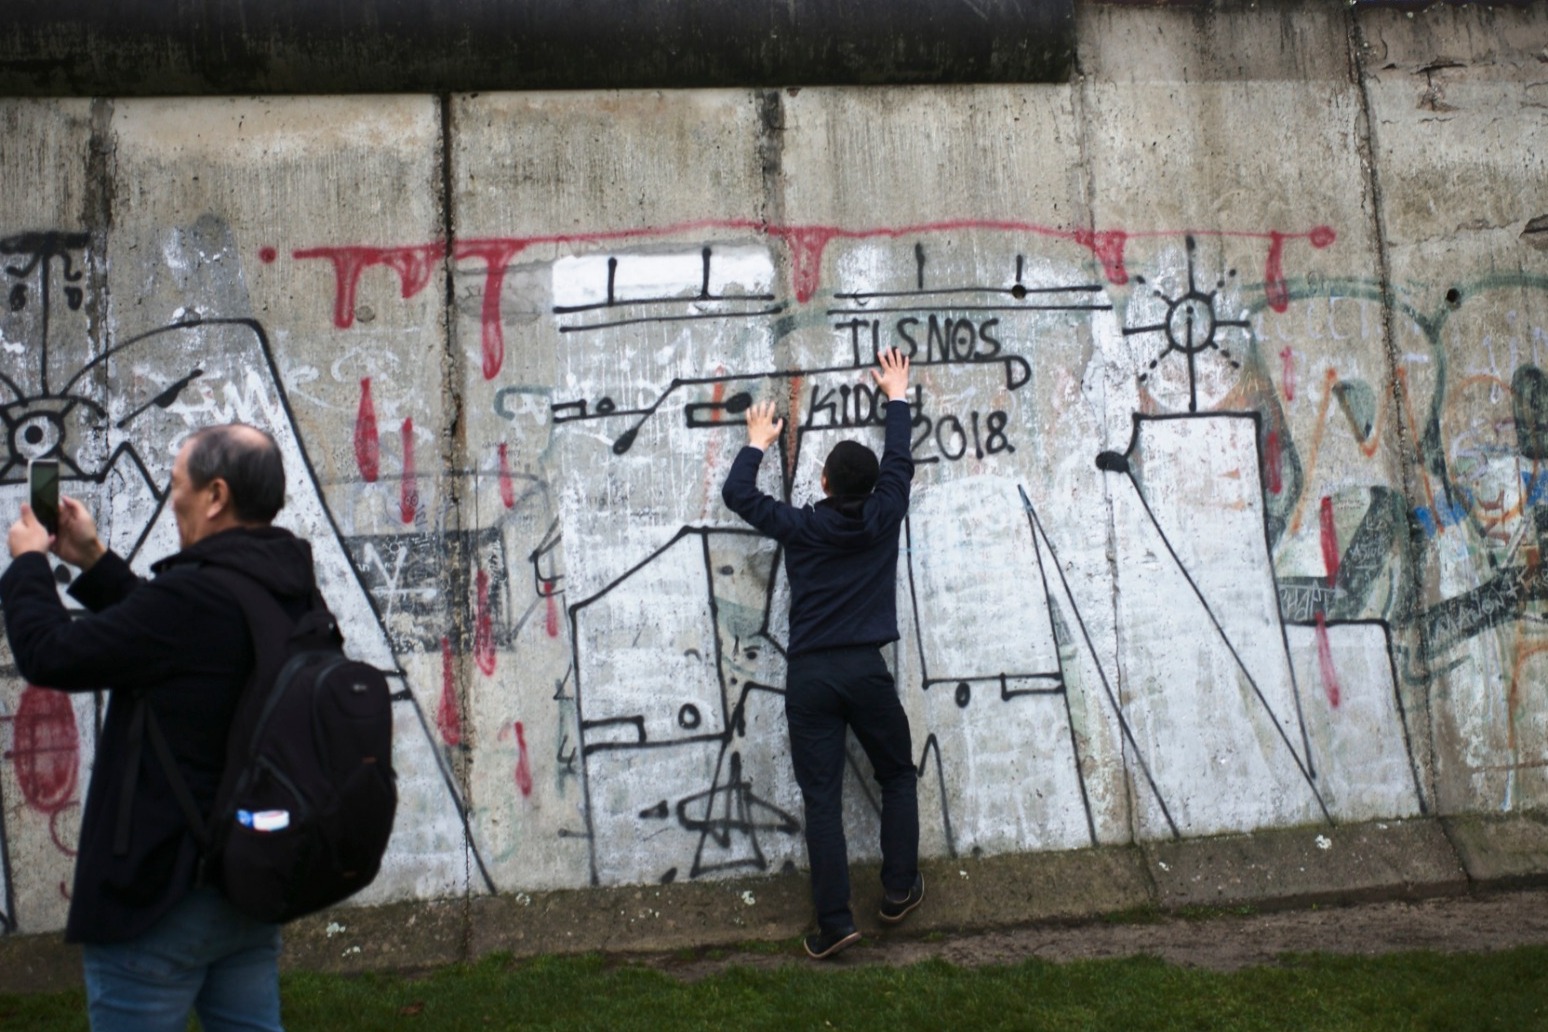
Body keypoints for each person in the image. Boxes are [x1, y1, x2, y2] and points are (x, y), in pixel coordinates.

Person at [1, 423, 315, 1031]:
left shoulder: (194, 599)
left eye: (178, 485)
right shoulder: (285, 588)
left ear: (215, 495)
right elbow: (175, 641)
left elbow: (50, 653)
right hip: (243, 884)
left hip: (159, 896)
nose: (173, 499)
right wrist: (92, 558)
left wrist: (28, 566)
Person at [721, 347, 924, 960]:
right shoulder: (885, 515)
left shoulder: (804, 526)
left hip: (811, 675)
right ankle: (897, 891)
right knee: (896, 774)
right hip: (865, 670)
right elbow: (899, 464)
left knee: (822, 800)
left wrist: (758, 439)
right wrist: (896, 394)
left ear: (825, 483)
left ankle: (835, 924)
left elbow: (738, 494)